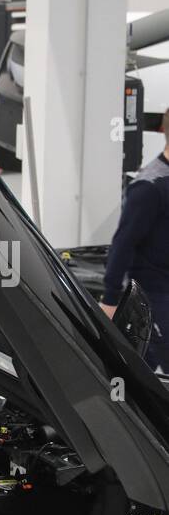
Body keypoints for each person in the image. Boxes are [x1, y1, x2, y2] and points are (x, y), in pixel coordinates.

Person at [101, 109, 169, 371]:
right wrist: (110, 299)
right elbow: (124, 243)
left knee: (142, 367)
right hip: (155, 294)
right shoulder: (150, 186)